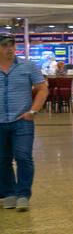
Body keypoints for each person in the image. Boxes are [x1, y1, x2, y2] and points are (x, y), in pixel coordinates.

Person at [0, 32, 48, 212]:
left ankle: (23, 195)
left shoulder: (28, 66)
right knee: (2, 159)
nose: (9, 48)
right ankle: (9, 193)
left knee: (23, 157)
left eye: (11, 45)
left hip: (22, 120)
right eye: (4, 45)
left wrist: (33, 110)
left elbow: (42, 89)